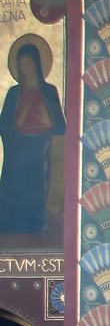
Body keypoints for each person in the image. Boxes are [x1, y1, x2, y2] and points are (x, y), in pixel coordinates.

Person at [0, 41, 65, 235]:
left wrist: (49, 122)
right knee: (15, 196)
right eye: (21, 64)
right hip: (18, 157)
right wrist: (21, 118)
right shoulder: (13, 93)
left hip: (41, 154)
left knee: (39, 198)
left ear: (37, 63)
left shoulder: (49, 91)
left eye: (28, 63)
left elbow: (62, 129)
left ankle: (41, 234)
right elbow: (4, 126)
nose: (25, 68)